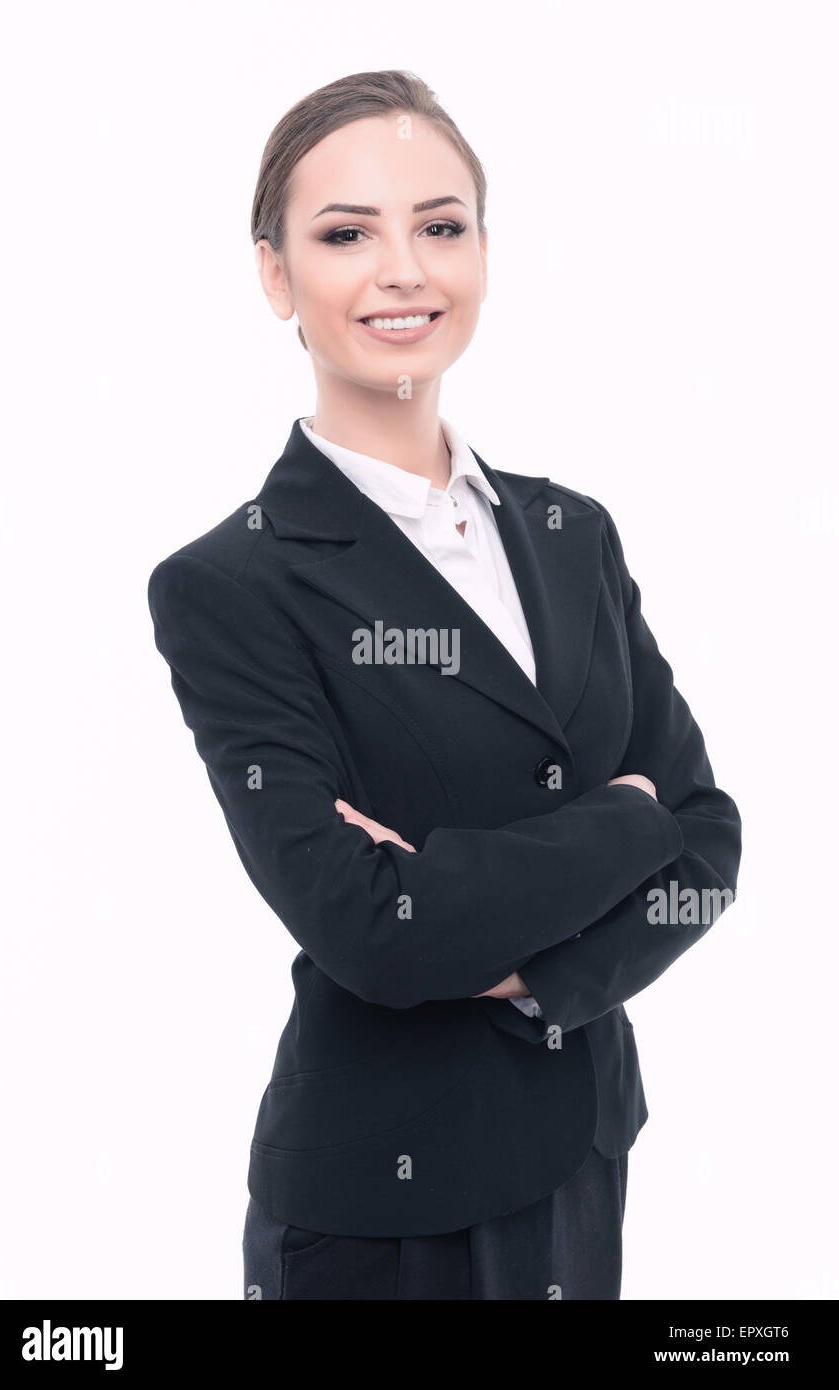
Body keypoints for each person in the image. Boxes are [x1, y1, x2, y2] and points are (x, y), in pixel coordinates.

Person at [147, 69, 742, 1300]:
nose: (403, 268)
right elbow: (372, 930)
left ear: (482, 250)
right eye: (346, 234)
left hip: (581, 1161)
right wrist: (626, 820)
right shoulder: (230, 584)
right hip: (384, 1215)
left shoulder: (573, 535)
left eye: (440, 224)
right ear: (275, 276)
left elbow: (712, 847)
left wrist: (532, 965)